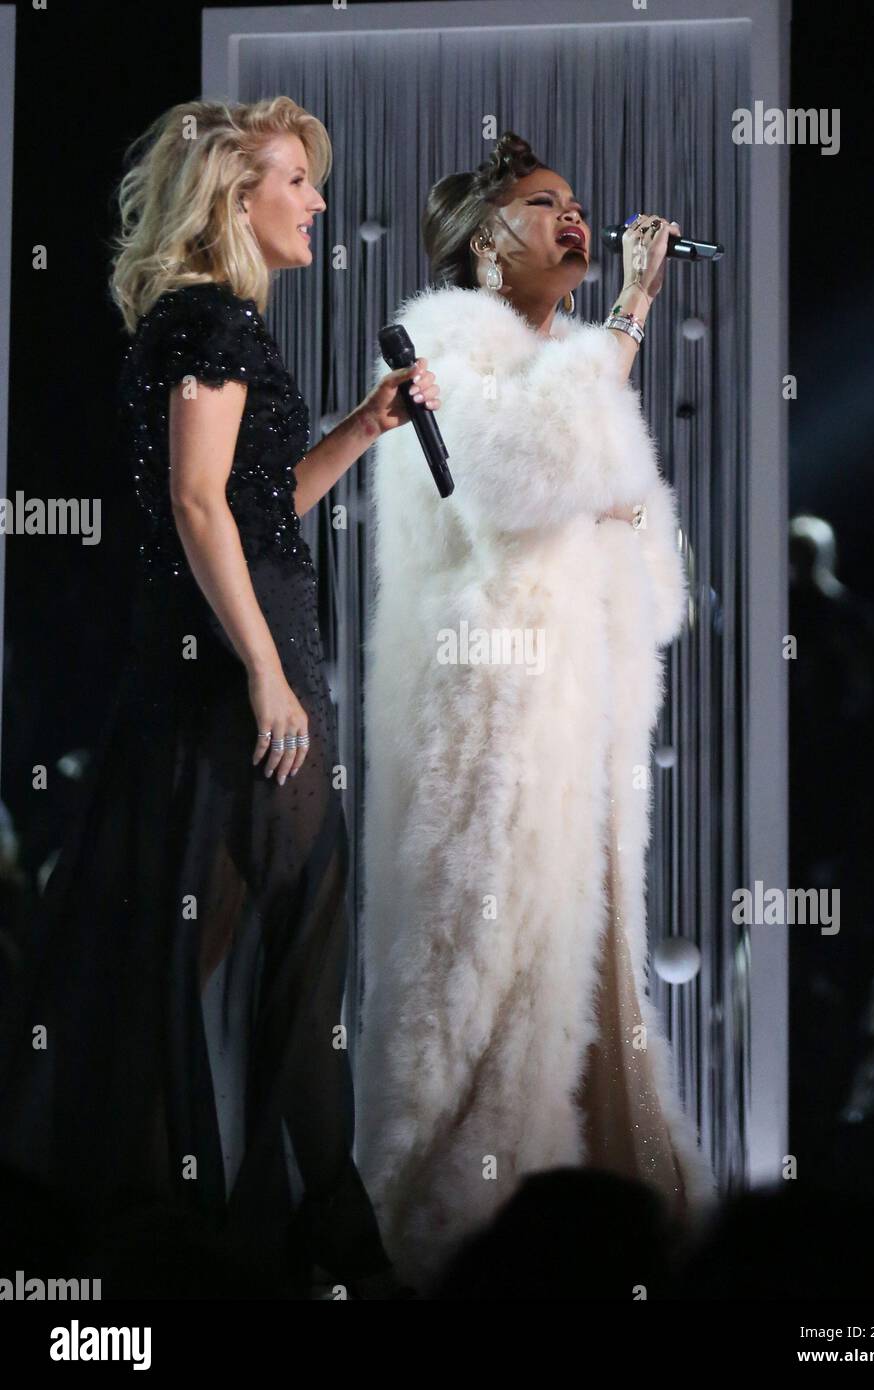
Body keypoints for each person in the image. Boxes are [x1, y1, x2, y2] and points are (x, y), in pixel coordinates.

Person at [0, 97, 439, 1296]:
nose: (316, 201)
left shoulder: (219, 325)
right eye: (296, 180)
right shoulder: (208, 321)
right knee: (249, 955)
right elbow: (197, 510)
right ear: (237, 198)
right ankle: (264, 1237)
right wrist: (261, 671)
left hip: (251, 662)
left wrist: (361, 427)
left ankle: (265, 1231)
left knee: (261, 953)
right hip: (233, 678)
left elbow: (248, 509)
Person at [355, 132, 717, 1290]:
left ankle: (596, 1235)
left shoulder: (562, 360)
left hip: (576, 722)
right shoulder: (447, 350)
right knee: (481, 979)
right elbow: (519, 482)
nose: (575, 218)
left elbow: (649, 575)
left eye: (576, 201)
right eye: (541, 204)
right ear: (478, 241)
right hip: (491, 726)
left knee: (580, 982)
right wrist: (626, 319)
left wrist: (612, 499)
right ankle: (448, 1242)